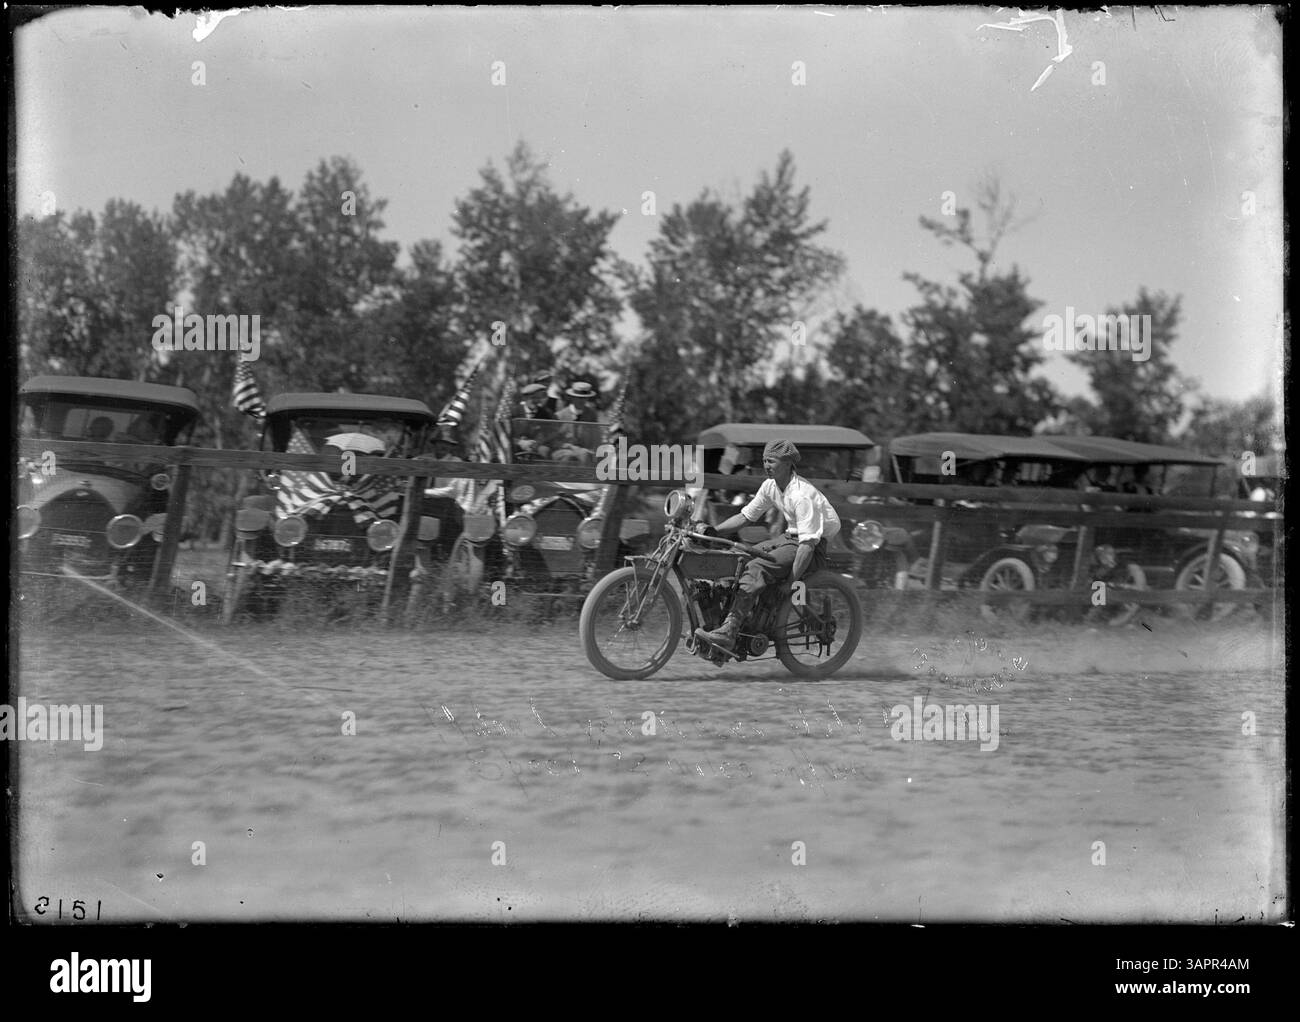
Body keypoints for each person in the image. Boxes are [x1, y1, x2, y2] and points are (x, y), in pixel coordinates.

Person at [693, 439, 841, 653]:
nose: (766, 465)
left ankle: (729, 632)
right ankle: (726, 620)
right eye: (764, 461)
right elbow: (746, 516)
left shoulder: (802, 495)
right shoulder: (771, 486)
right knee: (737, 556)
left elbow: (808, 546)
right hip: (790, 538)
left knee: (756, 568)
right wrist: (714, 532)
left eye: (771, 461)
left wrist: (791, 582)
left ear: (788, 463)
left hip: (809, 546)